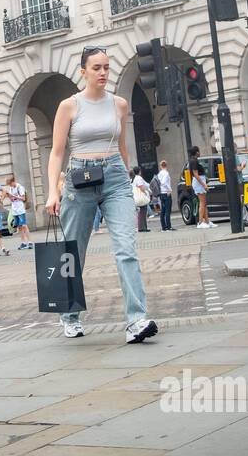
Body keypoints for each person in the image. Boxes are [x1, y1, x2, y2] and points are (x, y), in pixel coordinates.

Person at [45, 47, 157, 344]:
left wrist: (131, 181)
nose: (103, 72)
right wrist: (51, 192)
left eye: (107, 67)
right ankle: (69, 316)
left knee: (126, 250)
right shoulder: (69, 106)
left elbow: (122, 148)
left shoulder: (119, 105)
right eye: (96, 68)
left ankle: (136, 320)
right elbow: (57, 153)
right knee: (73, 253)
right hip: (78, 179)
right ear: (83, 71)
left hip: (115, 178)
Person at [2, 174, 32, 249]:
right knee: (19, 226)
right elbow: (12, 199)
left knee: (24, 225)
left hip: (20, 208)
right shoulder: (11, 188)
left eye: (10, 183)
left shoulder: (19, 187)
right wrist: (8, 196)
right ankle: (23, 242)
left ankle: (30, 241)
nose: (10, 185)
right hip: (15, 209)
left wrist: (13, 195)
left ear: (13, 181)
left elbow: (23, 198)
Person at [188, 147, 214, 229]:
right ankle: (200, 222)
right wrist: (204, 185)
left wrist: (205, 179)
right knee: (202, 203)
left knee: (204, 203)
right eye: (198, 151)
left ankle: (207, 221)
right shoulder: (194, 161)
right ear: (196, 152)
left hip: (199, 182)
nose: (200, 153)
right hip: (198, 183)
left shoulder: (192, 160)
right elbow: (195, 174)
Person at [131, 168, 152, 233]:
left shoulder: (133, 179)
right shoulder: (138, 178)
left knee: (141, 212)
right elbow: (141, 186)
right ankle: (142, 227)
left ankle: (142, 227)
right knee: (143, 212)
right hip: (141, 197)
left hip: (136, 197)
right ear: (139, 172)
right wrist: (145, 192)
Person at [156, 160, 175, 231]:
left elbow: (160, 183)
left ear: (161, 166)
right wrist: (169, 189)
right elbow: (164, 182)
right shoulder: (166, 173)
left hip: (161, 193)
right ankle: (169, 226)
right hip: (166, 193)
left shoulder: (159, 174)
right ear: (166, 165)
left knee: (163, 210)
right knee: (168, 210)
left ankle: (164, 226)